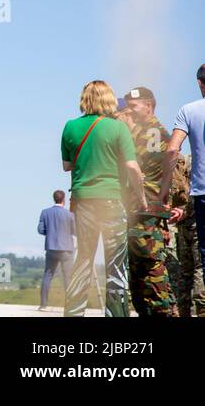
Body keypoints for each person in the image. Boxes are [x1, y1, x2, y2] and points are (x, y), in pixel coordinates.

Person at [60, 79, 143, 318]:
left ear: (84, 100)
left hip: (83, 201)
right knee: (115, 263)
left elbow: (67, 166)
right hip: (111, 201)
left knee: (84, 257)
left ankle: (74, 314)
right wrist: (141, 198)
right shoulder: (118, 128)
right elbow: (132, 167)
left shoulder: (70, 126)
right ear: (108, 100)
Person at [118, 86, 182, 316]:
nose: (130, 112)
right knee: (138, 271)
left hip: (146, 208)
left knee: (150, 267)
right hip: (139, 209)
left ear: (149, 105)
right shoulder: (141, 130)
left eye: (134, 107)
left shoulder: (152, 133)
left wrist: (167, 197)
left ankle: (164, 311)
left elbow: (171, 167)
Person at [160, 64, 205, 300]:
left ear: (199, 83)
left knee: (201, 263)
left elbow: (172, 150)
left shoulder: (189, 110)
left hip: (201, 193)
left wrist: (163, 193)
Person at [37, 190, 76, 310]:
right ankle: (69, 304)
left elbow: (40, 230)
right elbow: (74, 231)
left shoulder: (45, 212)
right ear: (63, 199)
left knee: (47, 276)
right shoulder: (70, 214)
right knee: (67, 277)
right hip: (66, 249)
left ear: (54, 198)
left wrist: (50, 234)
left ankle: (43, 305)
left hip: (51, 248)